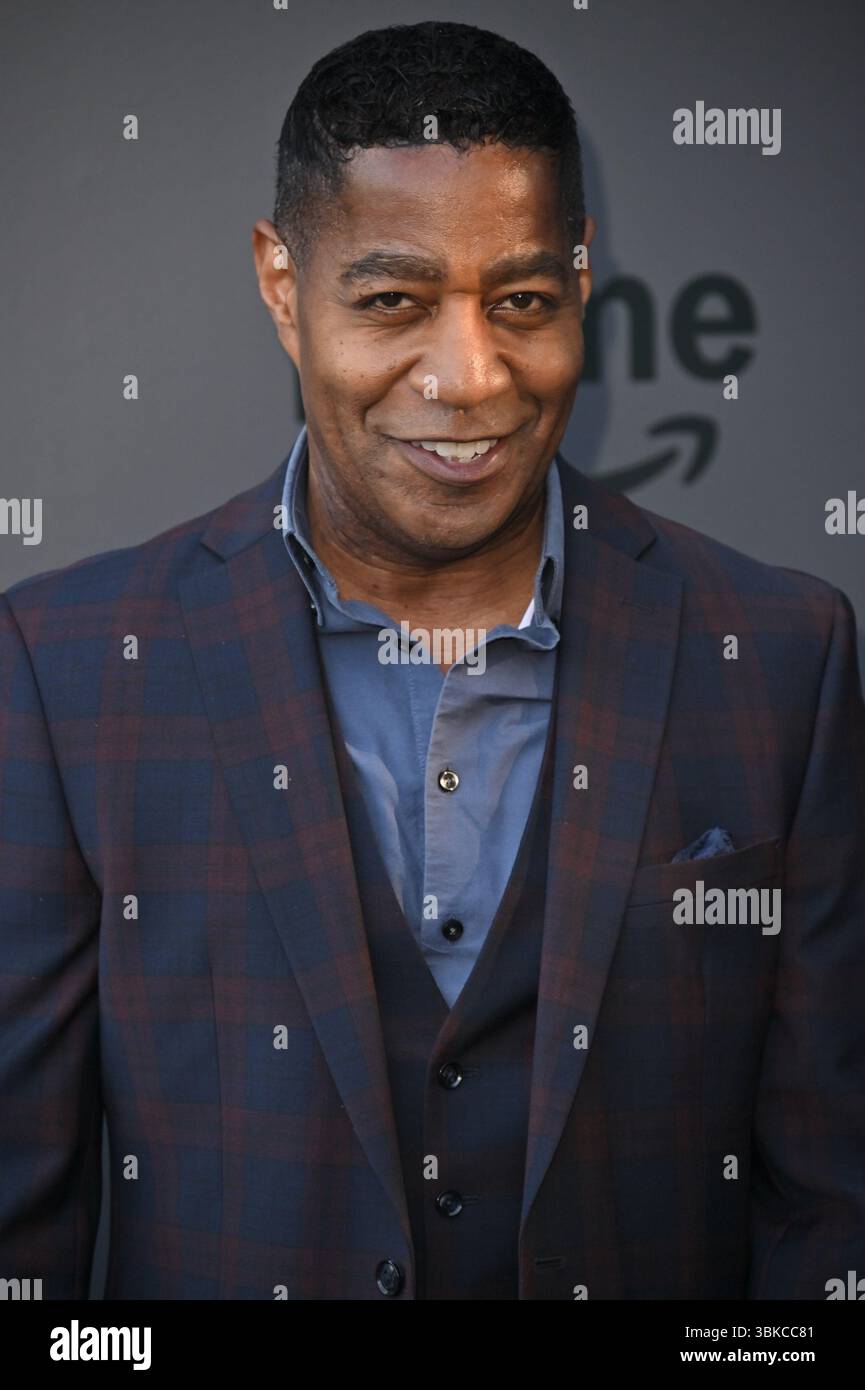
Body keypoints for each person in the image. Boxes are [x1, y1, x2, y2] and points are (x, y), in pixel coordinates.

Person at [1, 20, 863, 1301]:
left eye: (521, 302)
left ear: (581, 287)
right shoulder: (64, 666)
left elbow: (830, 1205)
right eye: (393, 301)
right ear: (283, 287)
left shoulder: (782, 654)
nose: (468, 377)